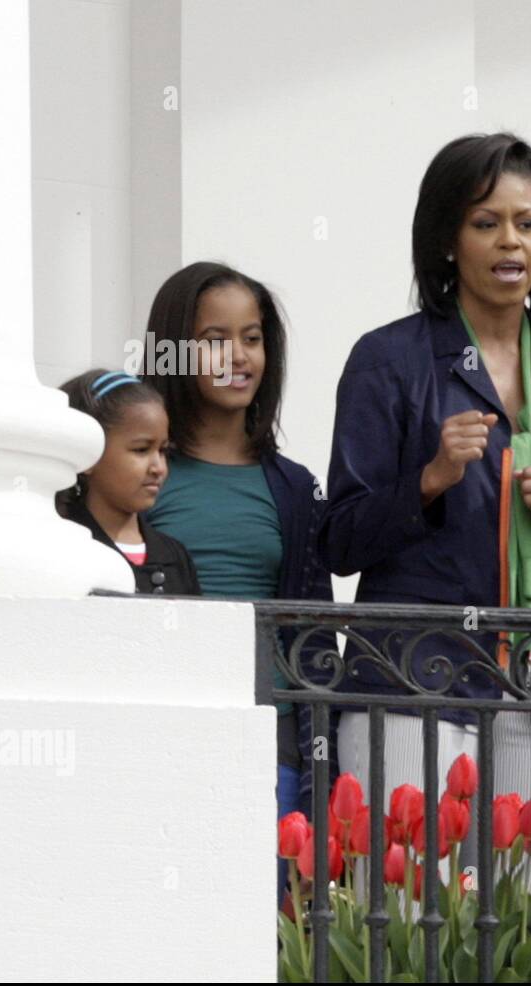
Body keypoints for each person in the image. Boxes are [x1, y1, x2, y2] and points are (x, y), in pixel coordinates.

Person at [319, 132, 531, 828]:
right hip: (415, 679)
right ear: (448, 241)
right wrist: (429, 478)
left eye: (527, 223)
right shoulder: (389, 359)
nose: (510, 242)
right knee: (411, 910)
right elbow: (338, 539)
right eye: (486, 224)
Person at [139, 262, 336, 902]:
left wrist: (317, 770)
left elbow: (313, 638)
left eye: (252, 338)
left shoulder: (294, 485)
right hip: (164, 734)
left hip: (269, 739)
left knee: (263, 927)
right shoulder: (139, 474)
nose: (239, 356)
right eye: (216, 338)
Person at [56, 368, 200, 595]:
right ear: (89, 455)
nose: (159, 468)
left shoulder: (175, 555)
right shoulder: (62, 548)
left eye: (163, 451)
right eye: (141, 450)